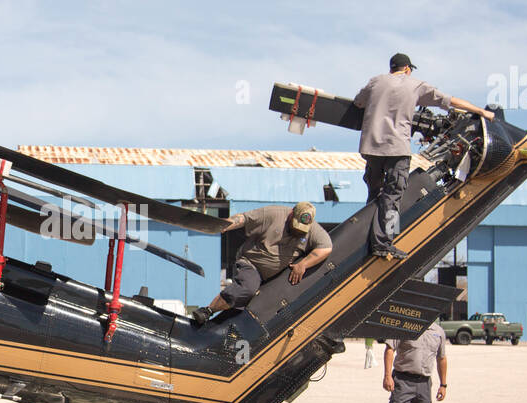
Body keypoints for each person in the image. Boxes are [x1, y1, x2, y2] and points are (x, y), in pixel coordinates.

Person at [352, 53, 493, 258]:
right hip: (396, 150)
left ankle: (364, 238)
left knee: (375, 193)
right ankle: (383, 243)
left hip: (371, 148)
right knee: (392, 196)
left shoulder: (376, 81)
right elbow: (450, 101)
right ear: (407, 69)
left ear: (392, 68)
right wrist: (481, 111)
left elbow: (358, 102)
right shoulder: (415, 85)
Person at [191, 202, 332, 326]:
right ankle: (208, 310)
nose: (297, 231)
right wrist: (226, 224)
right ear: (291, 214)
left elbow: (326, 247)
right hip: (252, 264)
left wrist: (303, 264)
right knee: (247, 288)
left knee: (256, 306)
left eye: (301, 230)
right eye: (295, 226)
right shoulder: (274, 214)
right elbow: (244, 218)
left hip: (275, 276)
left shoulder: (314, 230)